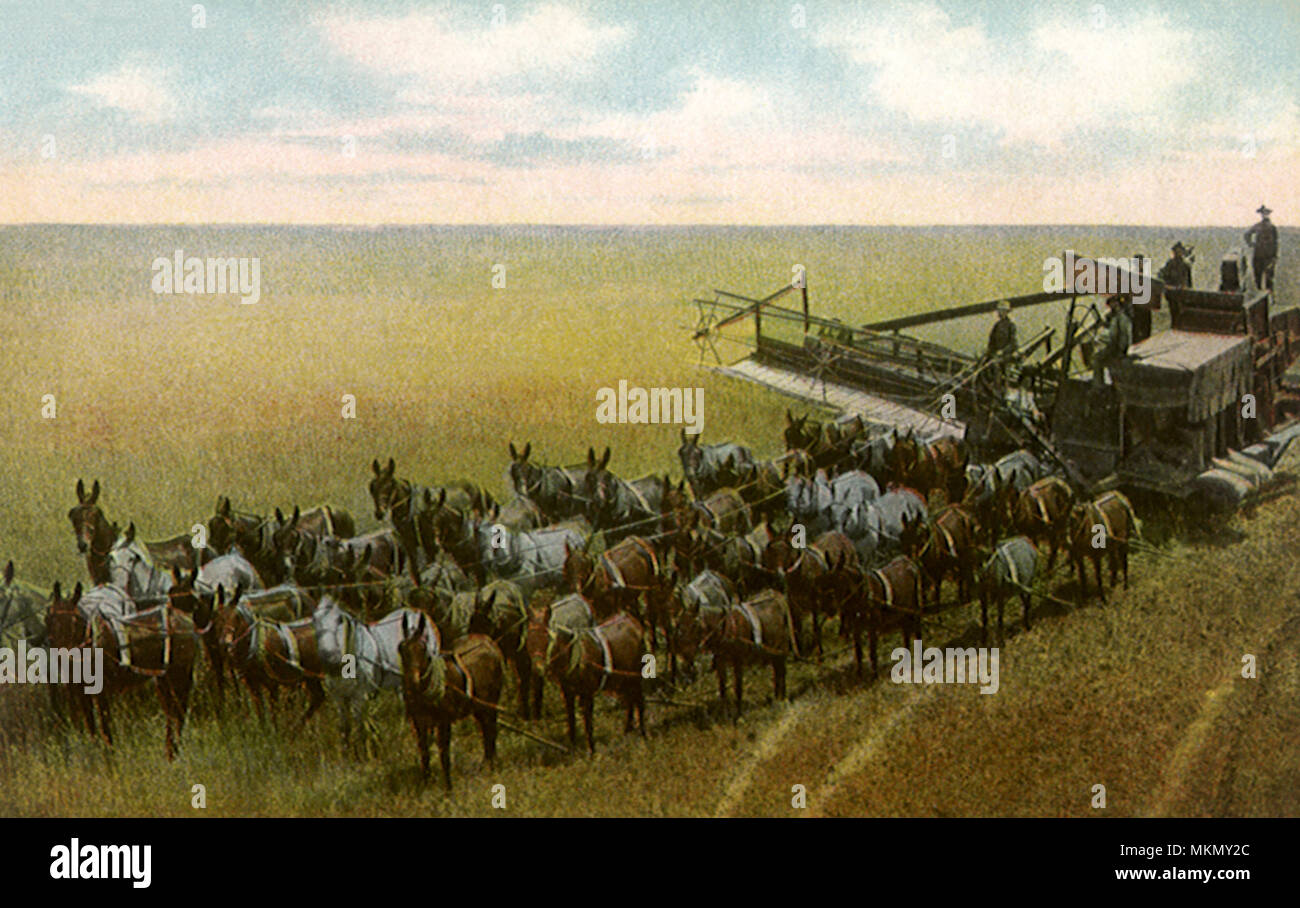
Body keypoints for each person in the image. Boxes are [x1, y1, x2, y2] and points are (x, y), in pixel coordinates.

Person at [1092, 294, 1132, 388]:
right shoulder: (1116, 316)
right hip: (1115, 347)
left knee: (1096, 359)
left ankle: (1098, 385)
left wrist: (1120, 352)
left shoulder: (1121, 318)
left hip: (1116, 349)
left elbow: (1119, 337)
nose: (1110, 307)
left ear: (1116, 303)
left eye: (1111, 304)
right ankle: (1101, 382)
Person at [1244, 204, 1278, 290]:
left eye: (1266, 213)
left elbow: (1276, 242)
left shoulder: (1272, 227)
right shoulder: (1258, 226)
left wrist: (1275, 256)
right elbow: (1247, 234)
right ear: (1261, 215)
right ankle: (1259, 294)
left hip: (1269, 256)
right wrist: (1251, 244)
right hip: (1258, 254)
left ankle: (1269, 298)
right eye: (1263, 213)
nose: (1264, 215)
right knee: (1257, 276)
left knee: (1269, 278)